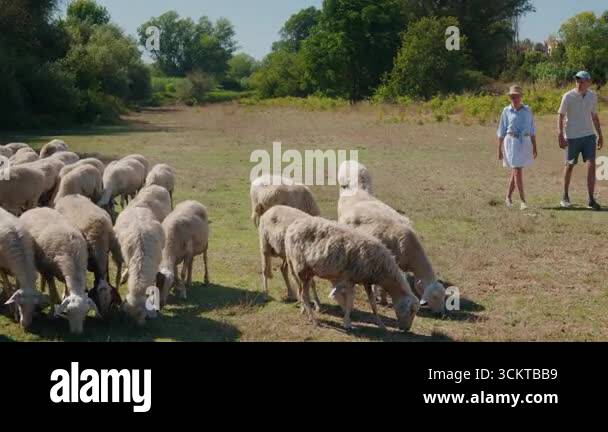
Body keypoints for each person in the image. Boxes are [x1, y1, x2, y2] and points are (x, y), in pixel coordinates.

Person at [558, 71, 604, 210]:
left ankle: (591, 199)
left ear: (588, 82)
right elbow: (560, 116)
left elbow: (594, 116)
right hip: (572, 136)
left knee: (591, 165)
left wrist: (600, 134)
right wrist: (560, 134)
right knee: (570, 165)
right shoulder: (568, 96)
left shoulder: (592, 96)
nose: (578, 83)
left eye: (581, 81)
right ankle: (565, 196)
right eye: (577, 80)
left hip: (589, 136)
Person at [497, 85, 538, 210]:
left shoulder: (527, 110)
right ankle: (522, 200)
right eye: (512, 97)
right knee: (517, 170)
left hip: (524, 142)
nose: (514, 99)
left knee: (517, 171)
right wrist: (499, 149)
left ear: (520, 97)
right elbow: (501, 131)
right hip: (511, 142)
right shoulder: (506, 111)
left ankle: (508, 197)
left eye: (516, 96)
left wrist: (535, 147)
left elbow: (532, 129)